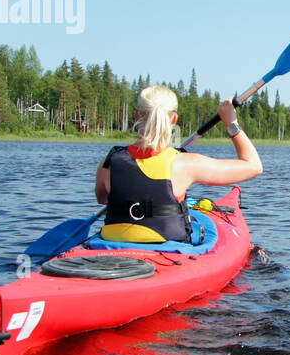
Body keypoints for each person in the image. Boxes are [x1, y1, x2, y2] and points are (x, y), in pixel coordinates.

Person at [95, 85, 262, 243]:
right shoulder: (184, 163)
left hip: (112, 243)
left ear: (136, 115)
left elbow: (102, 199)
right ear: (174, 119)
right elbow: (254, 166)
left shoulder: (109, 162)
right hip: (168, 246)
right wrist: (231, 124)